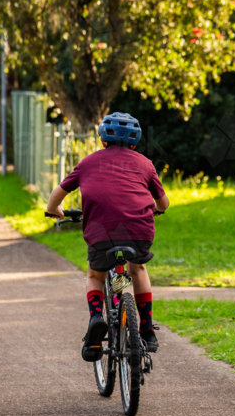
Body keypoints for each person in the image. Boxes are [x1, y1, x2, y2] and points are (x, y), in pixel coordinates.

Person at [45, 112, 170, 361]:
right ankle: (147, 329)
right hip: (139, 231)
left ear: (102, 140)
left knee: (95, 274)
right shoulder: (145, 163)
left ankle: (95, 318)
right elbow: (163, 202)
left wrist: (55, 212)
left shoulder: (88, 162)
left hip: (102, 234)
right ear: (135, 143)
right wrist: (157, 209)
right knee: (138, 271)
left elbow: (56, 196)